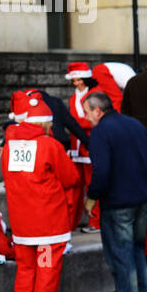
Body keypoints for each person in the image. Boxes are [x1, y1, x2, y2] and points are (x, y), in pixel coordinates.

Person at [82, 90, 147, 292]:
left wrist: (91, 198)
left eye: (87, 112)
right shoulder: (135, 125)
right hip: (141, 200)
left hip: (118, 203)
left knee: (120, 255)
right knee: (138, 251)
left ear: (98, 110)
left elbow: (102, 171)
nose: (86, 118)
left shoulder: (100, 132)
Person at [1, 93, 79, 292]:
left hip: (22, 221)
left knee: (26, 268)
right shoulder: (50, 145)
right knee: (47, 268)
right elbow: (71, 178)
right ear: (44, 122)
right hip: (48, 221)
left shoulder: (8, 147)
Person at [64, 62, 98, 231]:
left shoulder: (94, 95)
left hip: (90, 143)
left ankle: (95, 221)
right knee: (75, 184)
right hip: (76, 144)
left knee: (92, 183)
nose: (76, 83)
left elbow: (95, 120)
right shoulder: (72, 98)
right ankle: (71, 221)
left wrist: (74, 123)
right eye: (74, 80)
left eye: (79, 80)